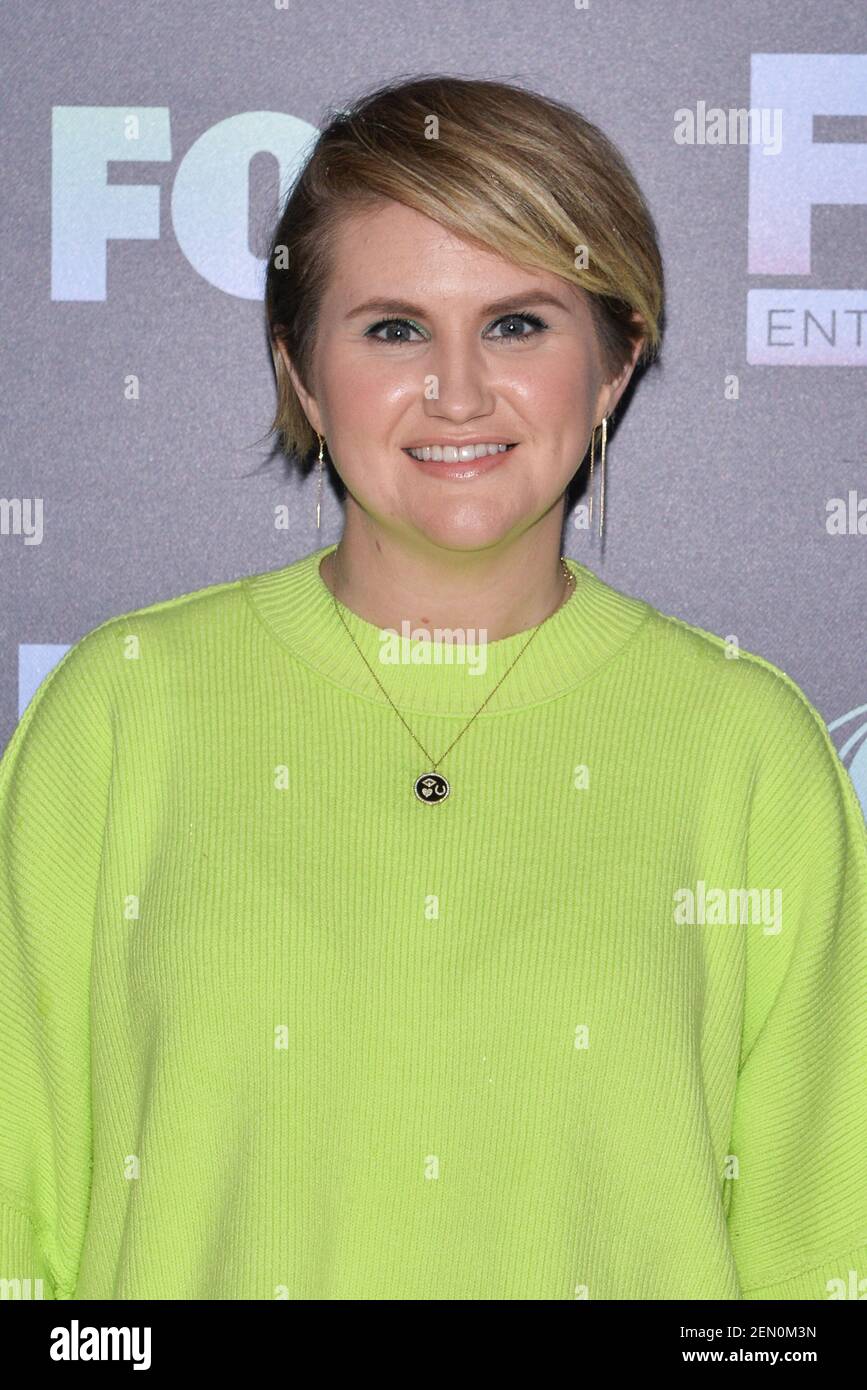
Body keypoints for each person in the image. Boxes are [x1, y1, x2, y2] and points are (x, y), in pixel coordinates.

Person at [1, 73, 865, 1302]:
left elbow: (821, 1268)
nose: (457, 391)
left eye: (518, 323)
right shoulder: (121, 714)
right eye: (393, 327)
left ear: (615, 365)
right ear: (302, 374)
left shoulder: (750, 750)